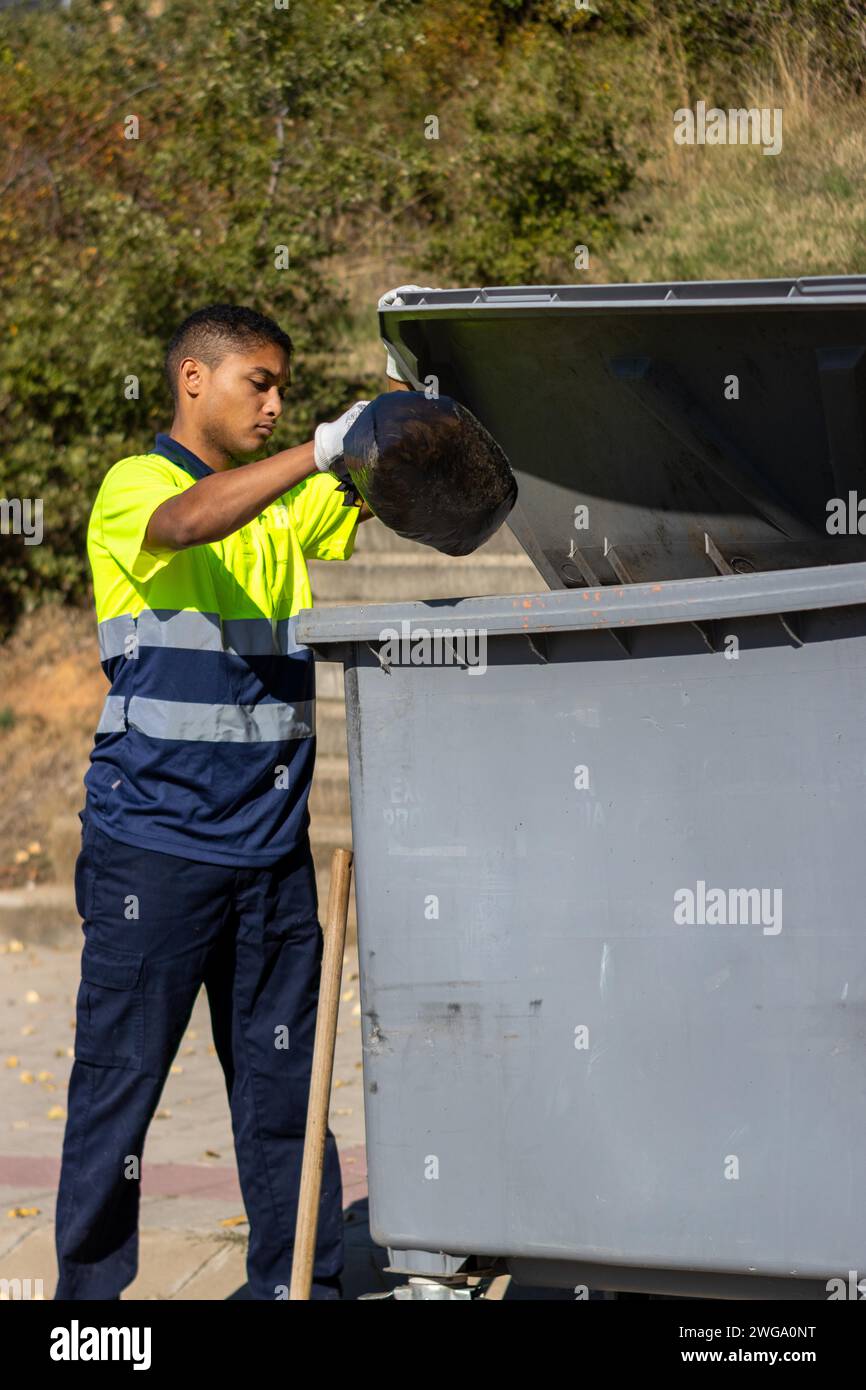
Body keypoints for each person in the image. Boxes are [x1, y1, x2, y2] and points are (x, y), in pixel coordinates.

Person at [53, 293, 415, 1301]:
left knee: (283, 1094)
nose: (272, 405)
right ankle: (87, 1309)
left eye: (283, 391)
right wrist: (312, 450)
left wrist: (404, 385)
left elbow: (381, 476)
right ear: (192, 379)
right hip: (151, 853)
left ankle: (296, 1283)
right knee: (118, 1090)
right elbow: (185, 521)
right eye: (259, 384)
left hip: (267, 858)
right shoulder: (138, 486)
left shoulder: (279, 511)